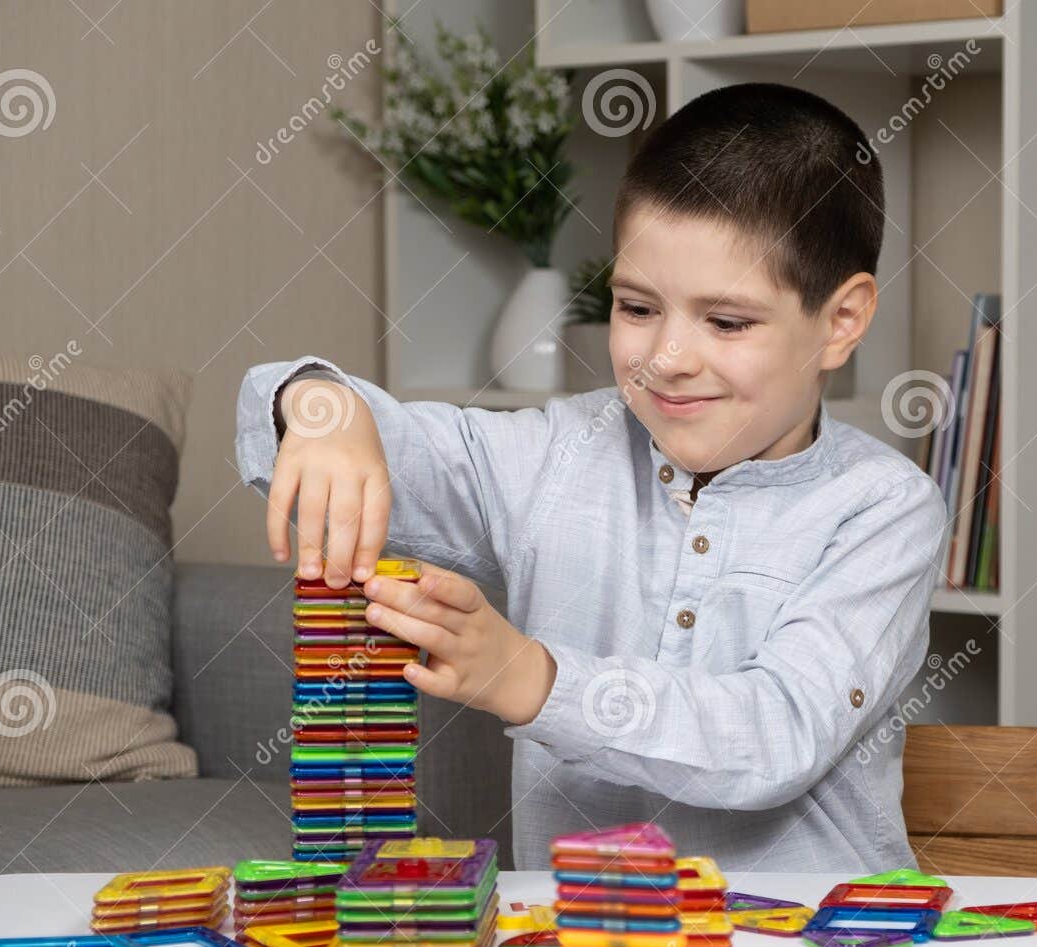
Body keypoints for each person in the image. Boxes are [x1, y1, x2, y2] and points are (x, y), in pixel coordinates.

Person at [235, 82, 948, 871]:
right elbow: (357, 433)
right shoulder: (559, 450)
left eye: (727, 322)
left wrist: (529, 676)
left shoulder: (883, 509)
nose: (668, 359)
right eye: (638, 308)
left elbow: (777, 733)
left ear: (841, 321)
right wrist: (322, 407)